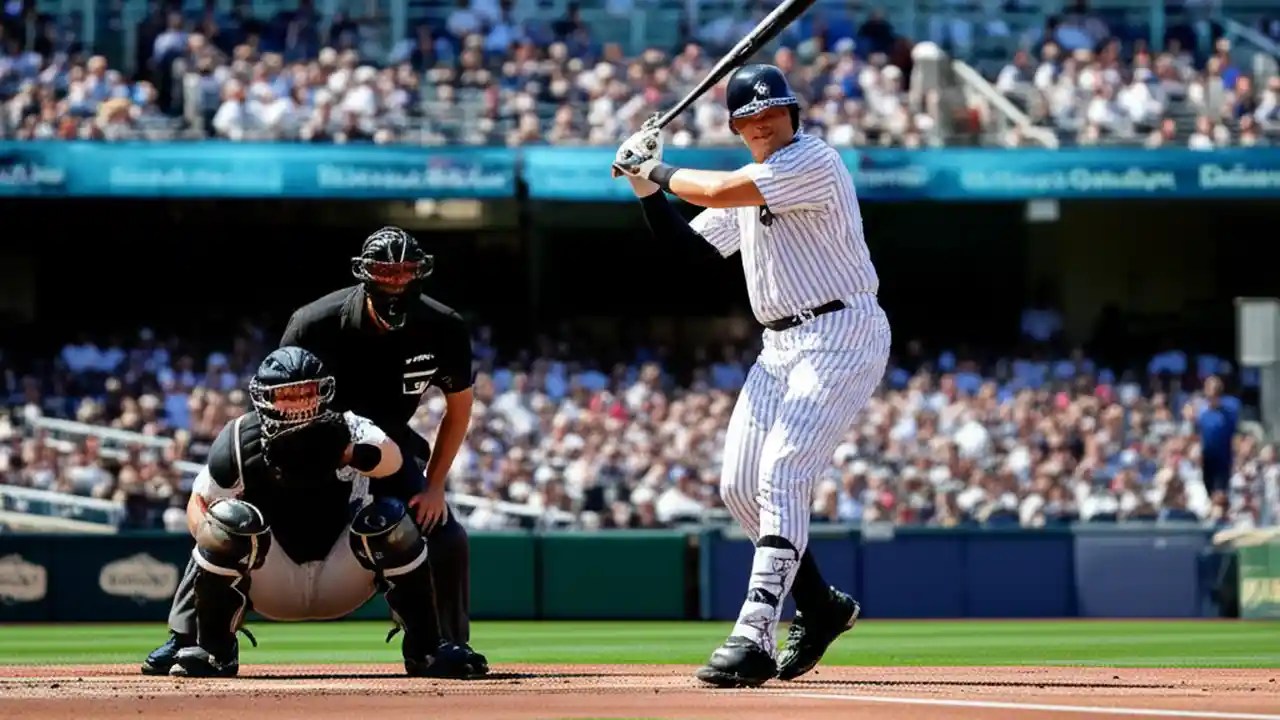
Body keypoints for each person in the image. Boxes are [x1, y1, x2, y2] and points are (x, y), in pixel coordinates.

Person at [612, 64, 891, 688]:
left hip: (841, 332)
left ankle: (754, 635)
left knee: (783, 470)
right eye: (750, 117)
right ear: (736, 127)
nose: (763, 122)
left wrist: (653, 168)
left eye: (774, 111)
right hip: (781, 344)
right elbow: (689, 256)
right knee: (740, 487)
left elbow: (714, 192)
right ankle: (820, 605)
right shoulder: (751, 183)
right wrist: (644, 189)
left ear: (795, 115)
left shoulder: (810, 160)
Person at [143, 226, 487, 676]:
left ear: (420, 273)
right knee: (226, 519)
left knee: (441, 531)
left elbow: (457, 411)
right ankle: (190, 638)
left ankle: (442, 644)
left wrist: (435, 485)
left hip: (375, 438)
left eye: (406, 272)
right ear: (365, 275)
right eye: (387, 272)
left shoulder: (443, 326)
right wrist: (217, 534)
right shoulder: (313, 322)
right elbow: (282, 383)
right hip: (297, 437)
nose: (397, 282)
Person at [159, 346, 478, 678]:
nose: (298, 403)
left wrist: (344, 453)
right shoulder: (240, 439)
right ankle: (214, 649)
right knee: (227, 521)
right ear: (266, 398)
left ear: (324, 391)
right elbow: (198, 503)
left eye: (306, 392)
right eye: (287, 395)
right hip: (271, 574)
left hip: (342, 575)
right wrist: (216, 542)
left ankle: (425, 649)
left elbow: (391, 460)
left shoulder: (350, 426)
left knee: (388, 518)